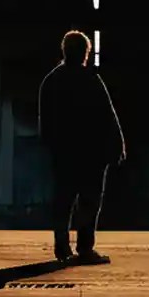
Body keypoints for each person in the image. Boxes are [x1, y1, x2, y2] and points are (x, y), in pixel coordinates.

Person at [38, 30, 126, 265]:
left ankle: (62, 246)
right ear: (85, 53)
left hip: (64, 153)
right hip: (92, 154)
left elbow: (44, 122)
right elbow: (108, 116)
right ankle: (85, 248)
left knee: (63, 200)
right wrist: (117, 146)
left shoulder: (51, 80)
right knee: (90, 200)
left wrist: (51, 148)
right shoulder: (91, 79)